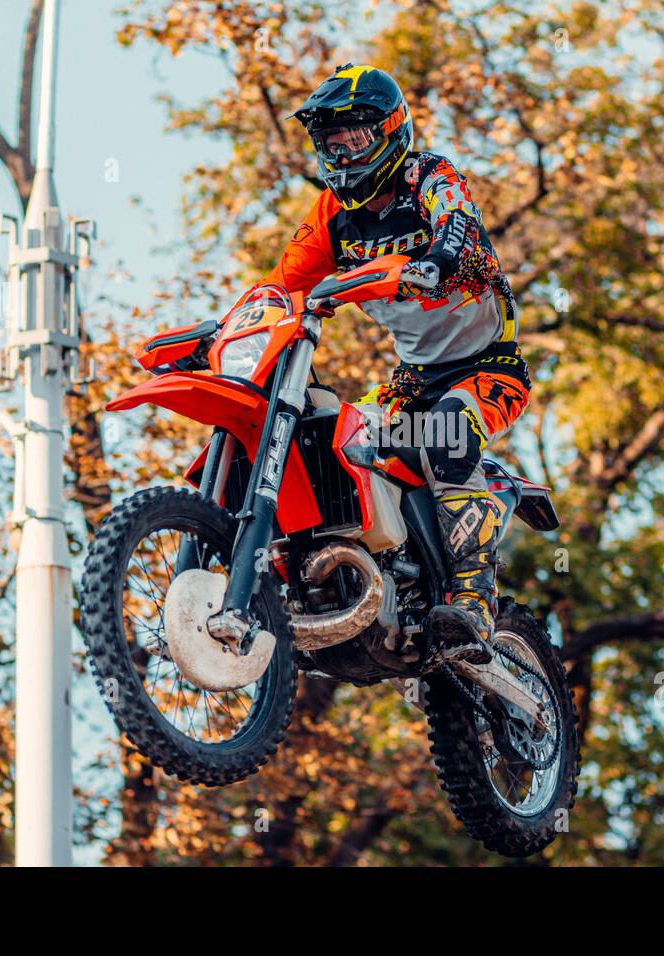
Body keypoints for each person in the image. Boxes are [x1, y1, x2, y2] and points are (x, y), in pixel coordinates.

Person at [261, 63, 530, 665]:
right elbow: (280, 287)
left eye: (353, 138)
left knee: (446, 435)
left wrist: (438, 258)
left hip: (488, 366)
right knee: (336, 441)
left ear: (390, 129)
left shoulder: (428, 175)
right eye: (331, 142)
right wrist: (233, 327)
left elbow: (458, 223)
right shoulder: (331, 212)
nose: (342, 153)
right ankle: (370, 578)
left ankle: (473, 596)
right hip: (412, 382)